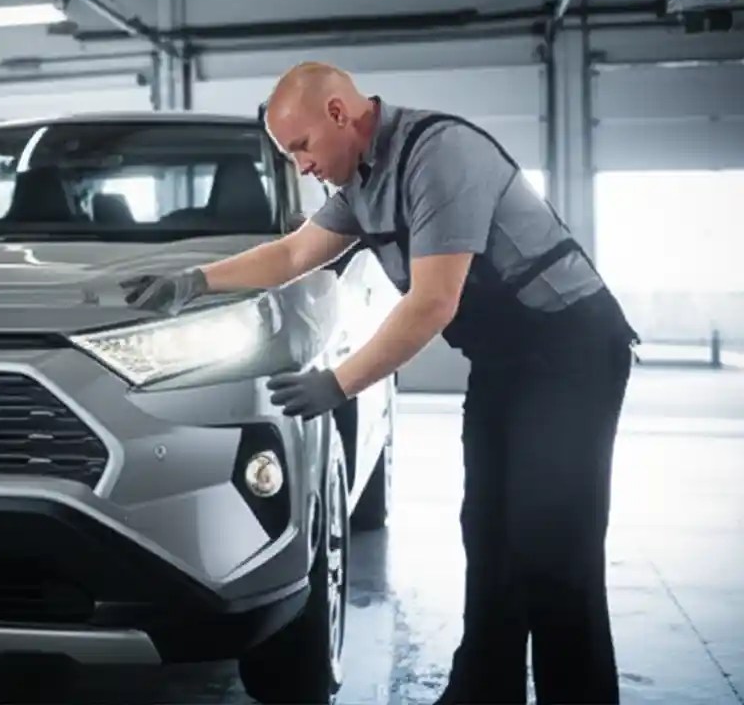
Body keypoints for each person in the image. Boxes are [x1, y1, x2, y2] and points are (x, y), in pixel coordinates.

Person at [119, 62, 638, 704]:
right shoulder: (361, 181)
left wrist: (337, 384)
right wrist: (196, 280)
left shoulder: (437, 156)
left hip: (573, 349)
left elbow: (431, 304)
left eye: (301, 147)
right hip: (506, 360)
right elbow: (291, 255)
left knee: (554, 541)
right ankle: (484, 689)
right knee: (488, 529)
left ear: (339, 114)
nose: (302, 166)